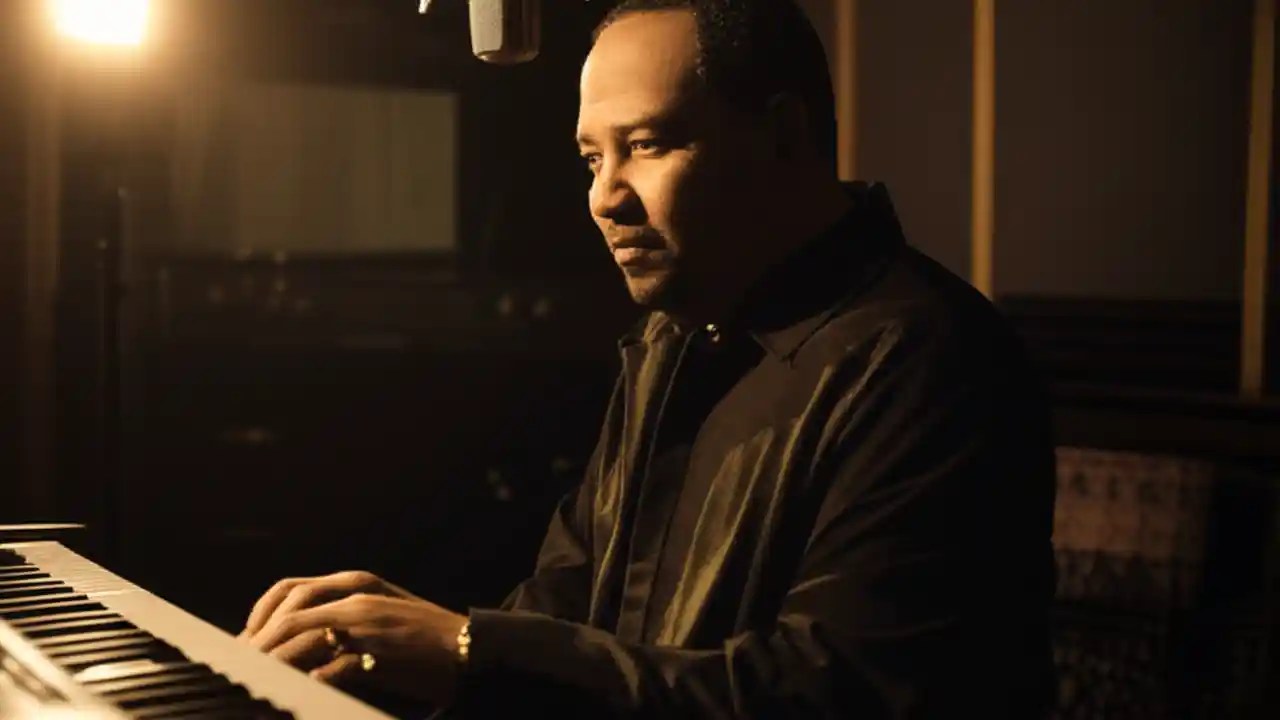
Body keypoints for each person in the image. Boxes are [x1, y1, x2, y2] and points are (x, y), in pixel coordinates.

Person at [239, 0, 1058, 716]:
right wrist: (391, 653)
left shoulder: (931, 359)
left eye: (648, 144)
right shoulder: (671, 340)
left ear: (783, 136)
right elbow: (565, 607)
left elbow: (838, 695)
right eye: (594, 158)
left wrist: (466, 650)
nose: (604, 196)